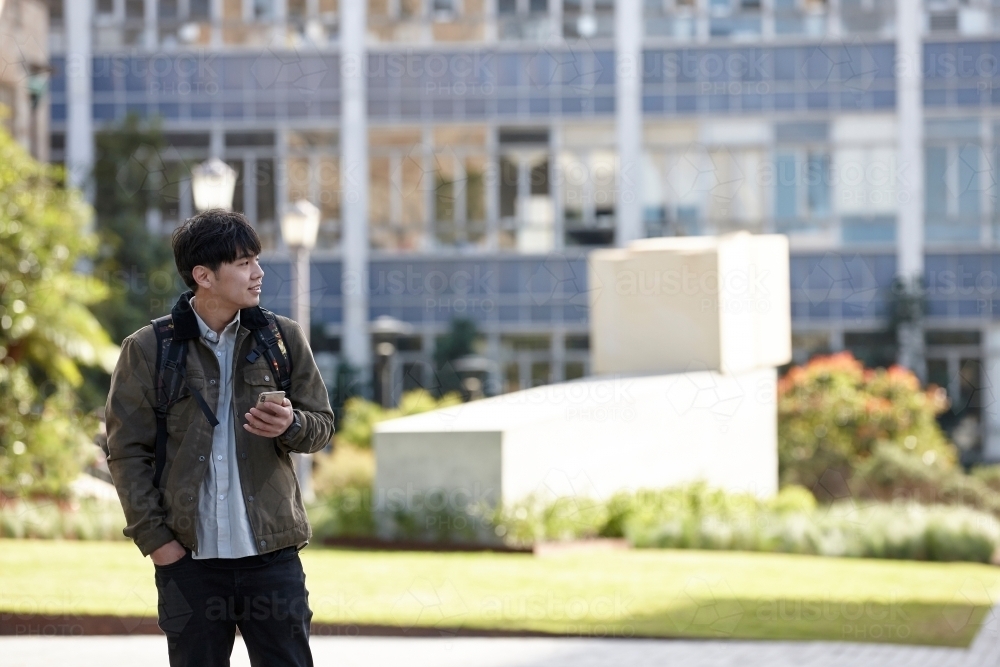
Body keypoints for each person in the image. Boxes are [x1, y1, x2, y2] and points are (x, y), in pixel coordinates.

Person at [104, 209, 335, 667]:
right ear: (203, 275)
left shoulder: (283, 339)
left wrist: (291, 426)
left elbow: (322, 425)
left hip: (272, 560)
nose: (258, 272)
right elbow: (126, 452)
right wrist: (159, 544)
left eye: (256, 259)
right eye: (244, 262)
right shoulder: (149, 348)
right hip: (189, 563)